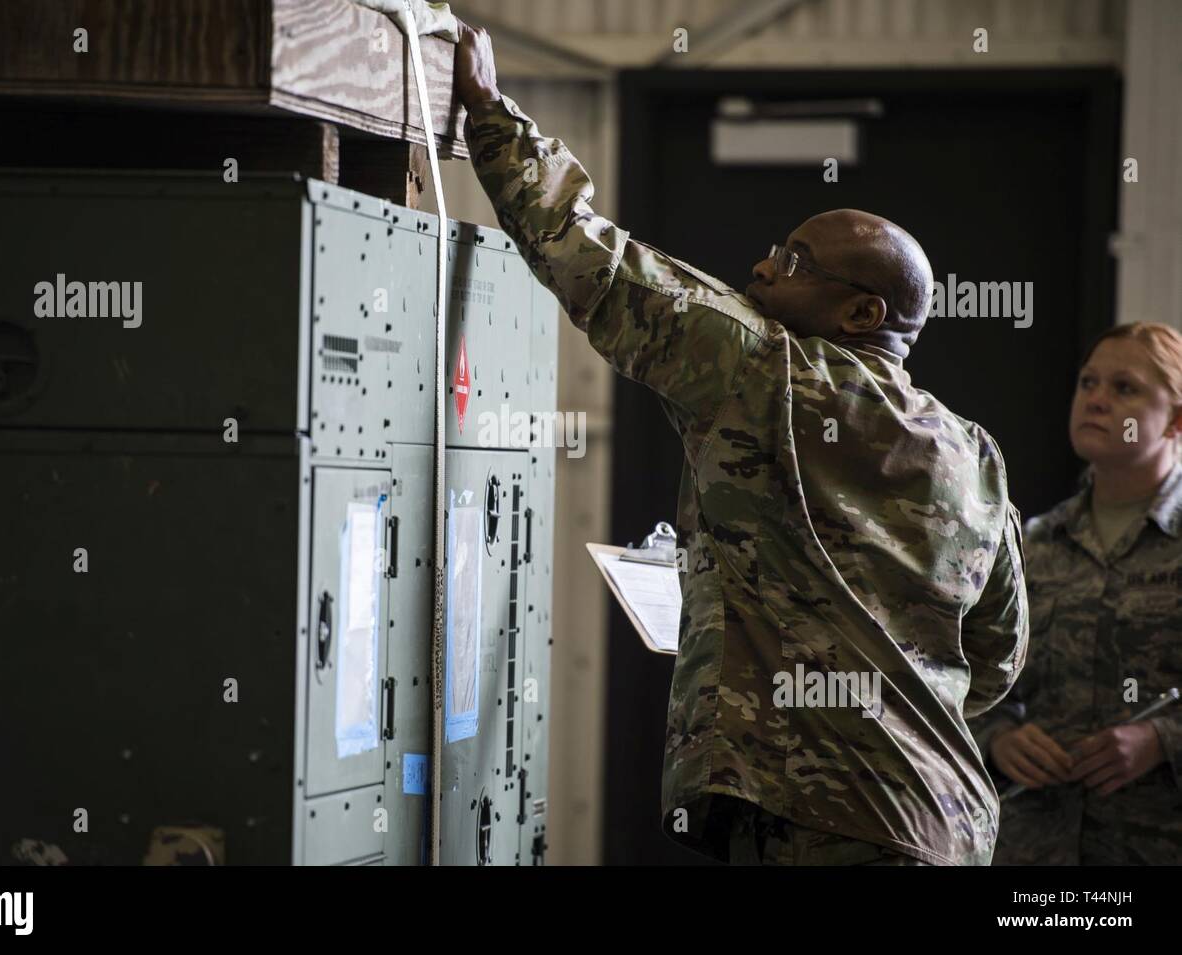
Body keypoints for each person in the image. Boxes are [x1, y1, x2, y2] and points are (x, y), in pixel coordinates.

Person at [454, 23, 1027, 865]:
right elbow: (996, 655)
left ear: (863, 314)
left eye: (791, 260)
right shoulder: (975, 452)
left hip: (820, 822)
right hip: (944, 820)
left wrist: (487, 108)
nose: (761, 272)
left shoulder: (761, 368)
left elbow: (593, 259)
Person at [972, 322, 1182, 865]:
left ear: (1176, 419)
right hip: (1035, 852)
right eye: (1088, 383)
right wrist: (999, 735)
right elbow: (966, 675)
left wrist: (1162, 739)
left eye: (1125, 388)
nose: (1096, 400)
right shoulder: (1030, 542)